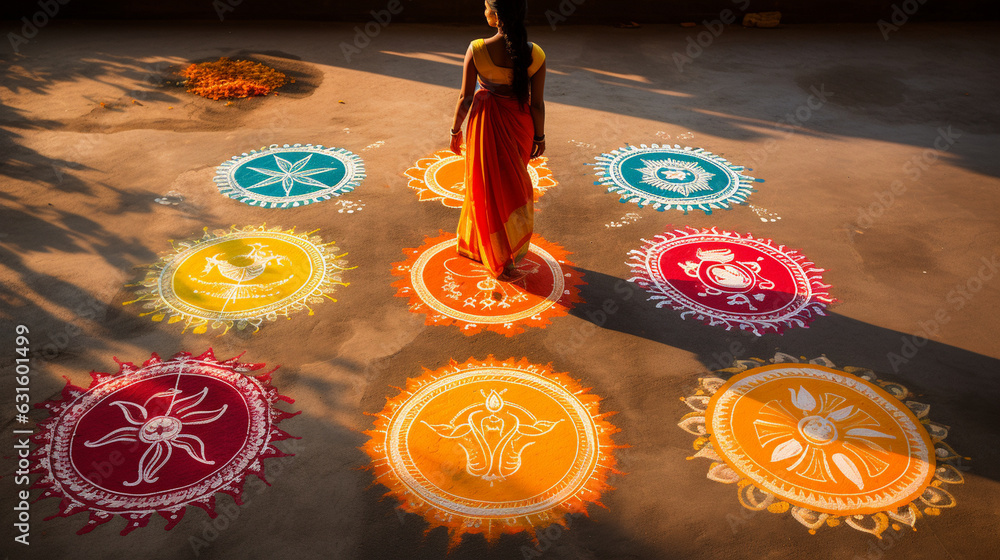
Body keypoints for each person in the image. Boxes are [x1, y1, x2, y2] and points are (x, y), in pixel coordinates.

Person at [449, 0, 546, 279]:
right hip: (521, 125)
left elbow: (465, 98)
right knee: (512, 183)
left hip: (486, 123)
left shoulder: (477, 49)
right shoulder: (536, 54)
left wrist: (456, 131)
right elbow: (536, 104)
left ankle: (486, 248)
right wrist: (539, 136)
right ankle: (510, 249)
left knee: (486, 183)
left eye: (486, 7)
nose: (484, 12)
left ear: (496, 16)